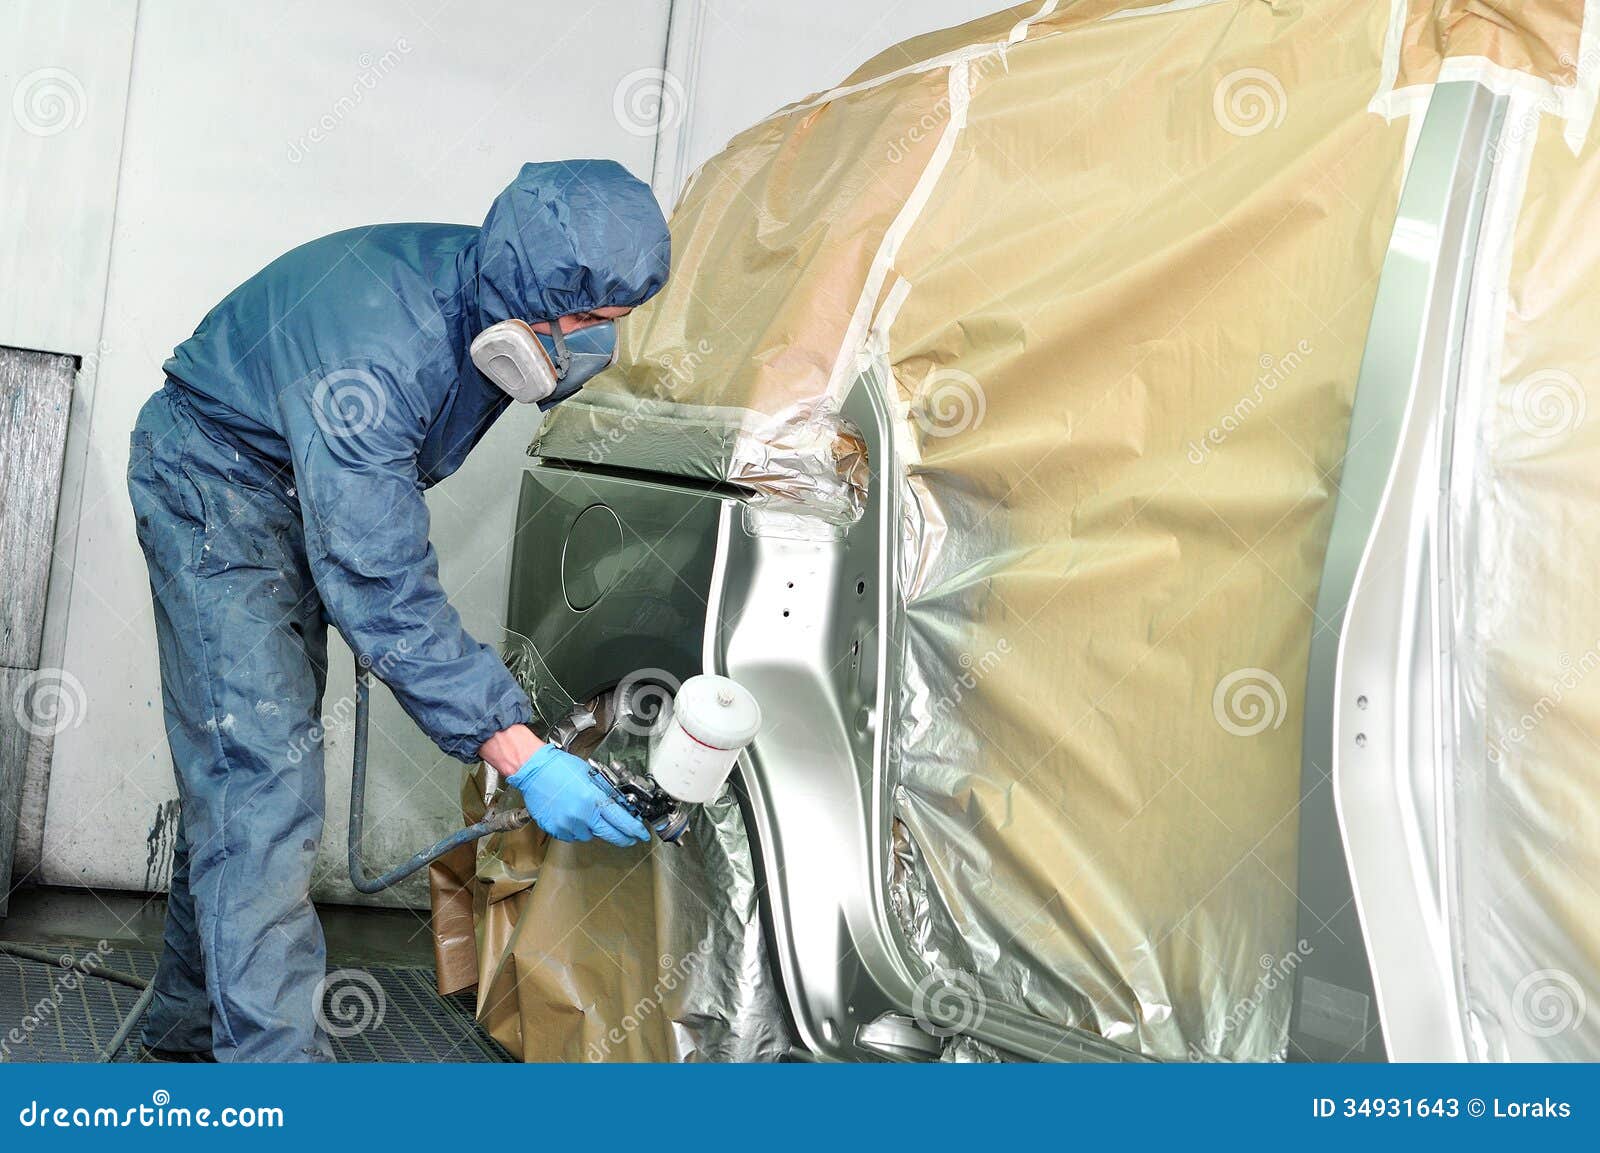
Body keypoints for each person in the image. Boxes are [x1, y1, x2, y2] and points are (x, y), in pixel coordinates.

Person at [126, 160, 670, 1062]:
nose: (594, 349)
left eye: (613, 325)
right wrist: (519, 752)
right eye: (587, 326)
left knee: (243, 771)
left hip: (286, 484)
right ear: (527, 304)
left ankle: (188, 1034)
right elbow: (381, 579)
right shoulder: (384, 348)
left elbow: (373, 536)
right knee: (260, 776)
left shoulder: (490, 296)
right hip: (212, 479)